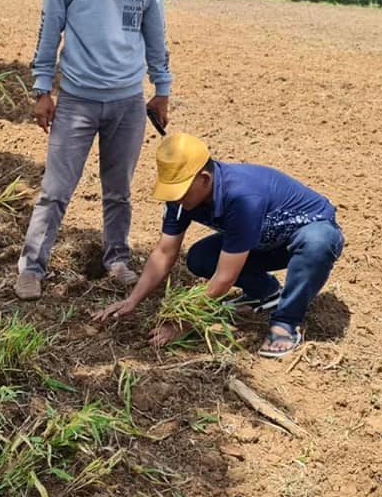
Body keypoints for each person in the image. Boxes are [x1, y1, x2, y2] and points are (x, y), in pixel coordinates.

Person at [14, 0, 173, 301]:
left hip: (128, 102)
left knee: (118, 188)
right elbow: (50, 31)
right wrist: (42, 89)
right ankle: (32, 266)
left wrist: (162, 90)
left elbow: (155, 36)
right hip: (77, 101)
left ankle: (118, 259)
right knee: (56, 189)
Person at [93, 133, 344, 357]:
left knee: (317, 244)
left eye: (180, 190)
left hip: (306, 232)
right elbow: (164, 251)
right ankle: (265, 293)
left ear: (204, 178)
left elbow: (224, 279)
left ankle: (286, 322)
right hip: (261, 237)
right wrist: (133, 300)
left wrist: (183, 325)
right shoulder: (180, 200)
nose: (176, 198)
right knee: (201, 258)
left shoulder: (241, 197)